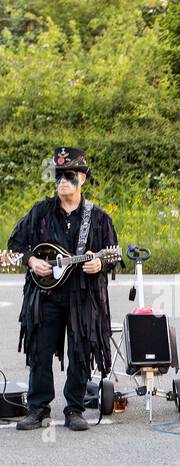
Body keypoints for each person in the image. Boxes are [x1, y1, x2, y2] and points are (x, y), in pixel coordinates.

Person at [7, 147, 118, 432]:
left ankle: (75, 409)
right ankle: (38, 407)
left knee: (79, 352)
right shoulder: (41, 212)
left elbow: (112, 254)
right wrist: (32, 261)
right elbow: (14, 245)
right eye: (58, 176)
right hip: (45, 295)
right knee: (40, 351)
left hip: (82, 297)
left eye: (69, 176)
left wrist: (99, 264)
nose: (63, 181)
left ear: (83, 179)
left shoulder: (98, 218)